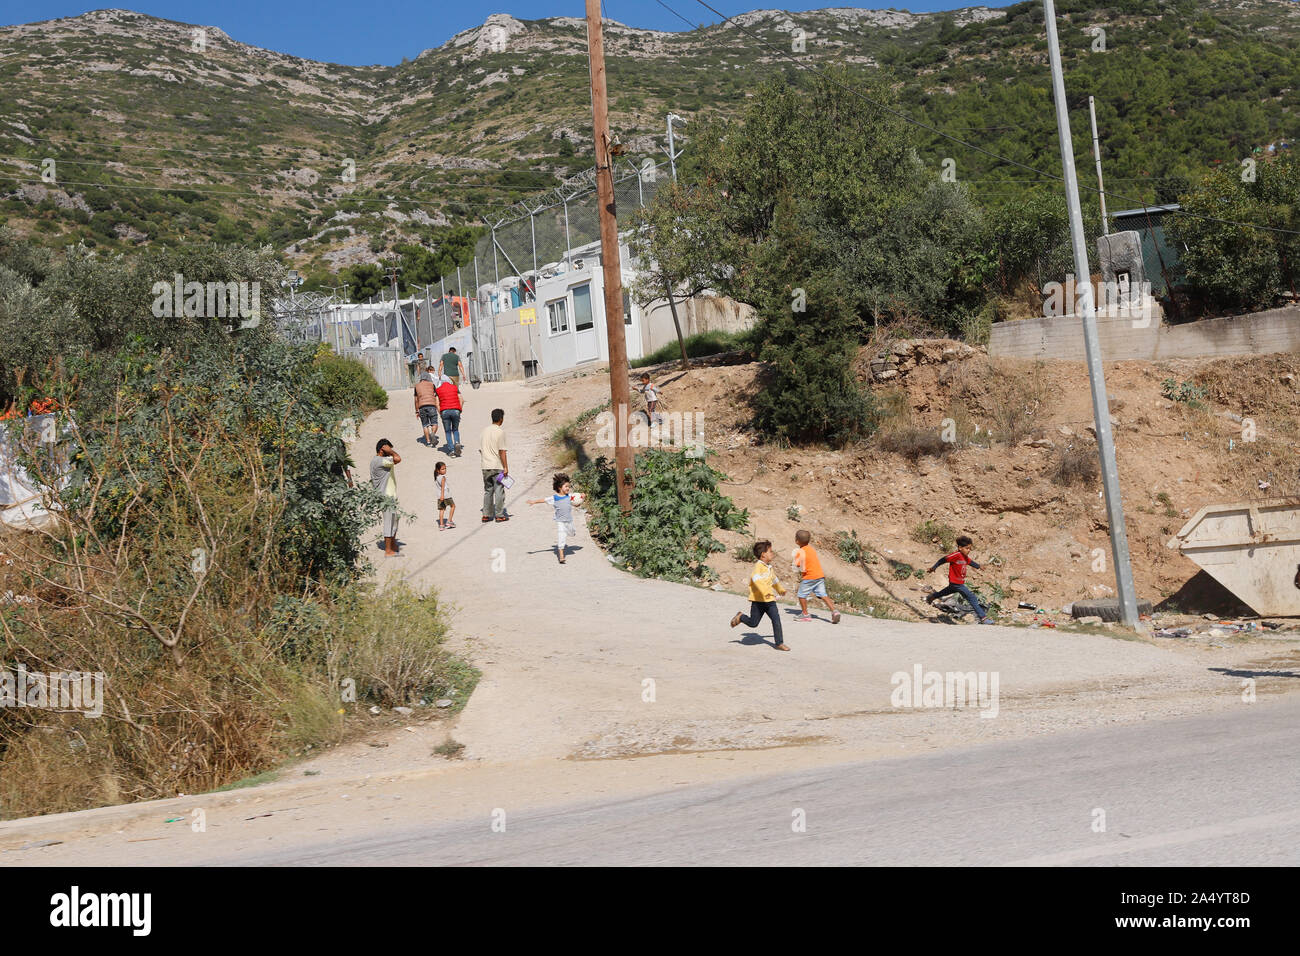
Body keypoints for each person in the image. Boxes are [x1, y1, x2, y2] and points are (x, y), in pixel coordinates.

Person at [730, 540, 789, 651]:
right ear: (763, 555)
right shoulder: (758, 567)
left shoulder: (769, 567)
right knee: (753, 623)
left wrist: (780, 590)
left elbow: (774, 580)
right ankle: (741, 617)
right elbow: (757, 581)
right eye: (770, 551)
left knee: (776, 620)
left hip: (770, 601)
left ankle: (779, 643)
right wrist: (766, 592)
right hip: (758, 601)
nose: (772, 553)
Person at [926, 535, 993, 624]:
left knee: (944, 592)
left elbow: (970, 562)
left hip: (956, 583)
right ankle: (983, 618)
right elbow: (943, 560)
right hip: (957, 583)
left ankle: (932, 596)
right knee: (972, 598)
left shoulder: (964, 557)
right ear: (960, 548)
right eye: (967, 548)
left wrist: (979, 566)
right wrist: (934, 567)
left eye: (970, 549)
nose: (969, 550)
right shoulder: (956, 555)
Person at [528, 472, 582, 564]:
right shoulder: (555, 498)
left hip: (569, 521)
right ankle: (561, 556)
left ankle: (570, 533)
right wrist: (534, 502)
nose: (568, 488)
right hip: (560, 521)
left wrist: (582, 497)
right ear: (559, 487)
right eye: (566, 486)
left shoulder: (570, 496)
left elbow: (576, 503)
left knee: (572, 533)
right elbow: (544, 500)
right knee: (561, 537)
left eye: (569, 487)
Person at [793, 530, 840, 623]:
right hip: (819, 576)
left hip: (809, 577)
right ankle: (834, 611)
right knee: (823, 594)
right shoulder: (811, 549)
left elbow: (798, 565)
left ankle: (805, 614)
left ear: (797, 541)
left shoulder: (800, 552)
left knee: (801, 595)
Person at [370, 438, 402, 556]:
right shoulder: (380, 461)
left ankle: (392, 546)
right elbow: (398, 458)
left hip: (388, 495)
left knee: (394, 520)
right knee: (389, 521)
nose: (390, 451)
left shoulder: (377, 460)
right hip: (386, 496)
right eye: (388, 448)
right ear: (382, 449)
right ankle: (388, 550)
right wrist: (391, 452)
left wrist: (389, 451)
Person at [479, 407, 509, 522]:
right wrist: (505, 467)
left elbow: (480, 450)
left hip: (485, 466)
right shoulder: (500, 432)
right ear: (501, 419)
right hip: (497, 466)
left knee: (488, 490)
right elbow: (502, 451)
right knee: (499, 490)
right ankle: (499, 515)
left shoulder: (484, 431)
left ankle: (486, 514)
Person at [435, 373, 463, 456]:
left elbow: (437, 403)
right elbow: (461, 399)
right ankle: (457, 442)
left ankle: (451, 451)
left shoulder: (438, 390)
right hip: (456, 410)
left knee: (447, 431)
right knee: (455, 429)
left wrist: (440, 413)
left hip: (444, 411)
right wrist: (459, 410)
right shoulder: (455, 387)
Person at [413, 367, 440, 448]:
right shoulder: (432, 385)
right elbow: (435, 396)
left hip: (422, 406)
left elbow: (416, 400)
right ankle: (433, 434)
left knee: (425, 425)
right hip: (432, 405)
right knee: (434, 423)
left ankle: (428, 442)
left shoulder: (417, 386)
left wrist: (417, 411)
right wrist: (438, 407)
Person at [435, 460, 455, 530]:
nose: (444, 470)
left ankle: (441, 525)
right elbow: (443, 488)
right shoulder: (443, 477)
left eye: (445, 468)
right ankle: (449, 521)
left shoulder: (437, 477)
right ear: (438, 470)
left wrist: (440, 496)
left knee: (442, 510)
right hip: (446, 495)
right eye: (442, 469)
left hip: (439, 496)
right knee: (453, 506)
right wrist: (442, 496)